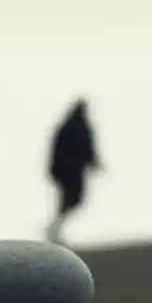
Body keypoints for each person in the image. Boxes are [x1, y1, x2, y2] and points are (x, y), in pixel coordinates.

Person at [45, 99, 101, 245]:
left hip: (70, 172)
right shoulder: (75, 128)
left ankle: (55, 228)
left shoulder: (69, 127)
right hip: (70, 172)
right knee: (72, 199)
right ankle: (54, 229)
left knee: (72, 201)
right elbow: (84, 148)